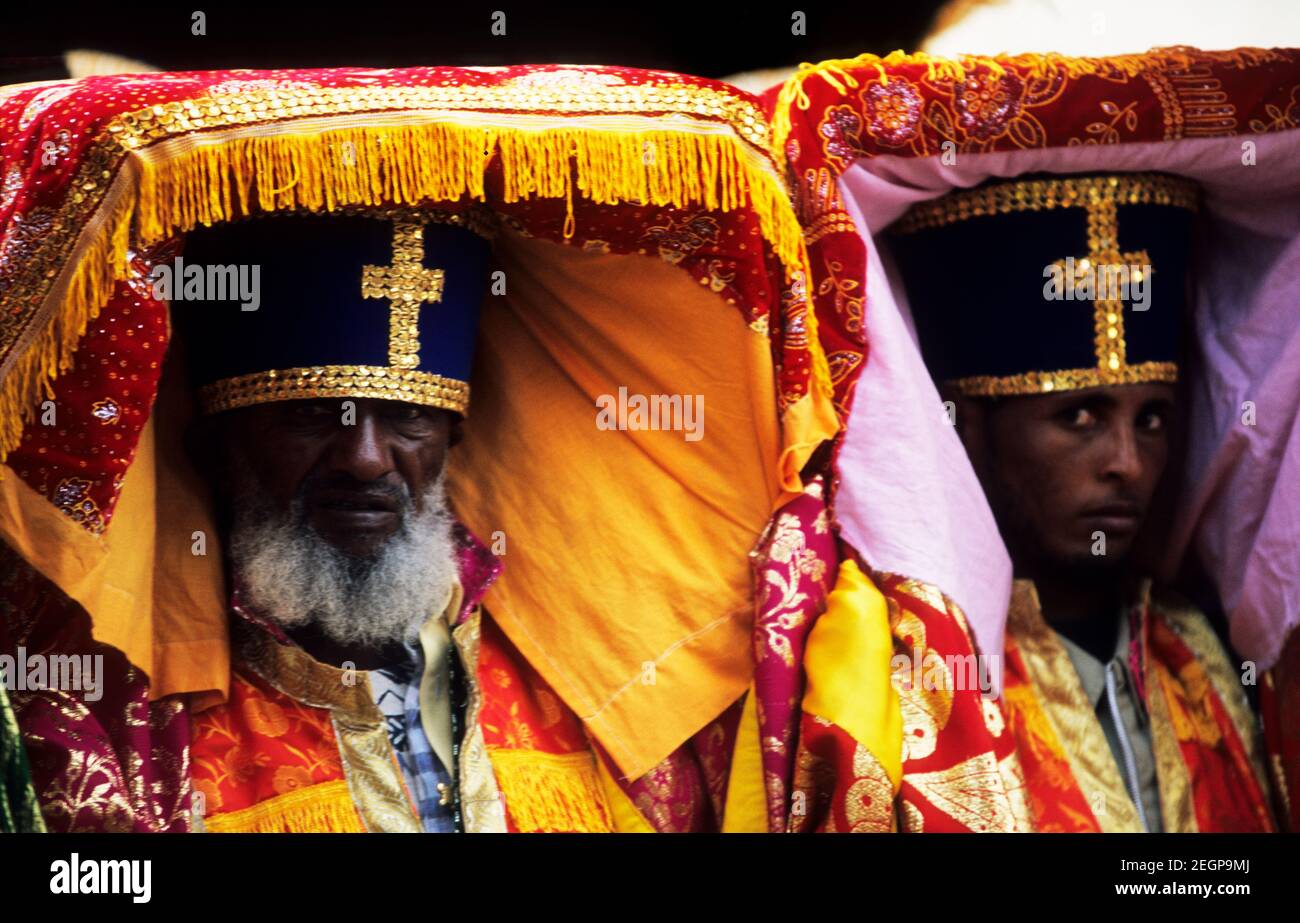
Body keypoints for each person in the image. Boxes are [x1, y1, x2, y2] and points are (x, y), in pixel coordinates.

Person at [887, 172, 1275, 832]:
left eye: (1151, 419)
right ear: (969, 431)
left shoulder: (1204, 650)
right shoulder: (908, 677)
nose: (1126, 462)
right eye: (1080, 416)